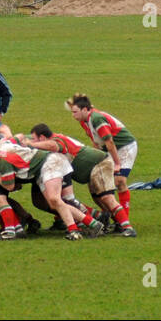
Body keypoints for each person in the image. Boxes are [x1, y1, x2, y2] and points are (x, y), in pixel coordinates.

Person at [23, 123, 136, 237]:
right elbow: (26, 138)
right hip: (92, 168)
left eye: (34, 139)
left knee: (107, 198)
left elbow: (54, 146)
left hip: (99, 164)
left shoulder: (57, 140)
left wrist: (31, 144)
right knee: (94, 199)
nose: (32, 141)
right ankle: (102, 219)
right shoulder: (51, 139)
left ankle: (127, 227)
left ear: (42, 137)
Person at [67, 95, 138, 226]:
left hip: (124, 147)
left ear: (85, 110)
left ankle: (122, 220)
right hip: (109, 149)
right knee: (96, 185)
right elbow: (96, 142)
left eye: (75, 112)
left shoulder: (96, 119)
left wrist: (117, 163)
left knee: (119, 181)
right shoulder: (84, 121)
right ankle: (111, 216)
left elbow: (109, 141)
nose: (73, 116)